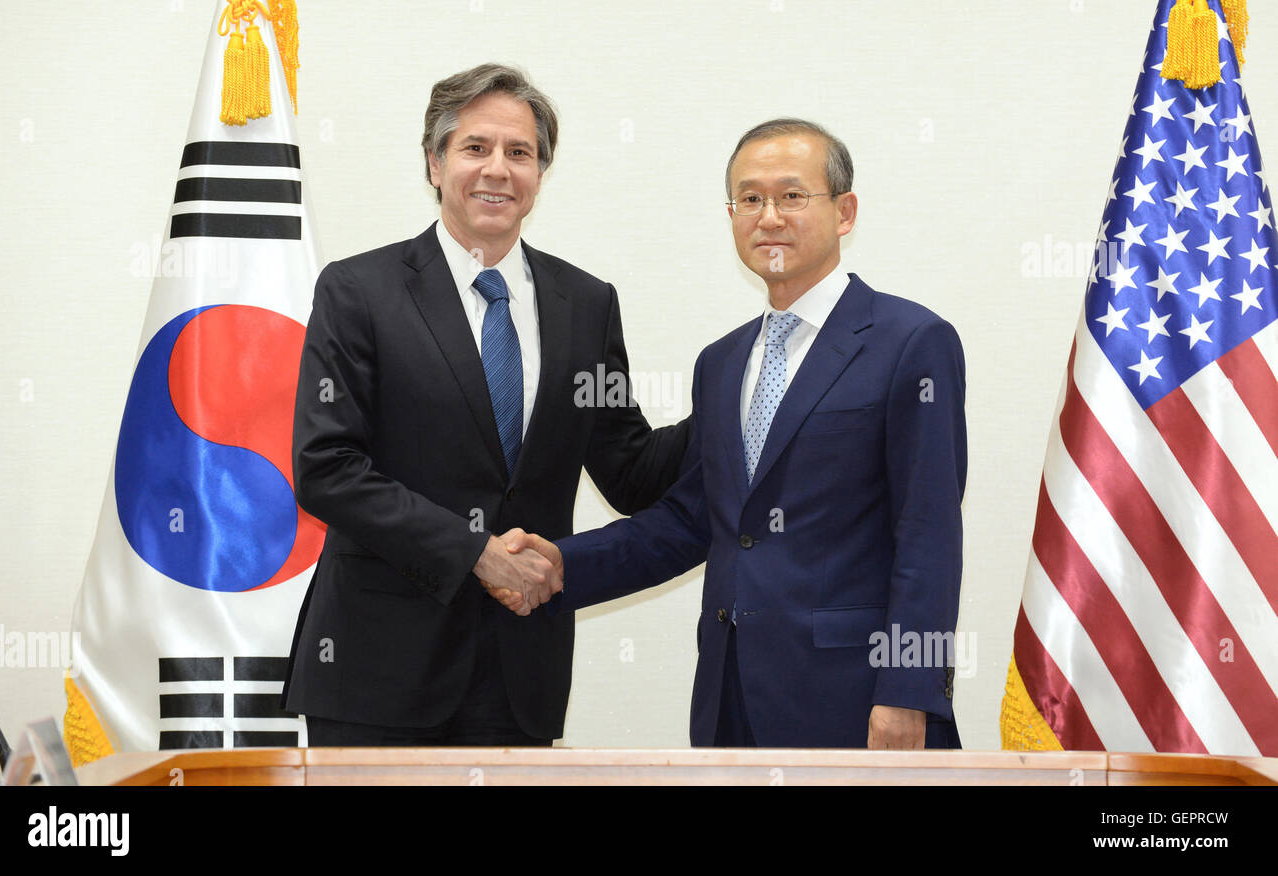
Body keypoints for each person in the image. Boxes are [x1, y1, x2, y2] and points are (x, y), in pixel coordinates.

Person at [493, 119, 967, 749]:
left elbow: (929, 531)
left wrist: (909, 692)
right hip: (729, 696)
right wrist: (561, 566)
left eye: (792, 196)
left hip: (857, 700)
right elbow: (693, 522)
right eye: (750, 199)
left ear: (844, 211)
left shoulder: (911, 342)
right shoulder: (721, 364)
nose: (768, 216)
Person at [280, 64, 691, 747]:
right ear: (435, 163)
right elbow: (327, 466)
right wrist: (475, 552)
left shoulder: (586, 304)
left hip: (518, 675)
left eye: (519, 152)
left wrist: (746, 391)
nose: (497, 169)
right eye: (475, 148)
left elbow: (632, 472)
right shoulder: (360, 291)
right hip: (375, 675)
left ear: (540, 175)